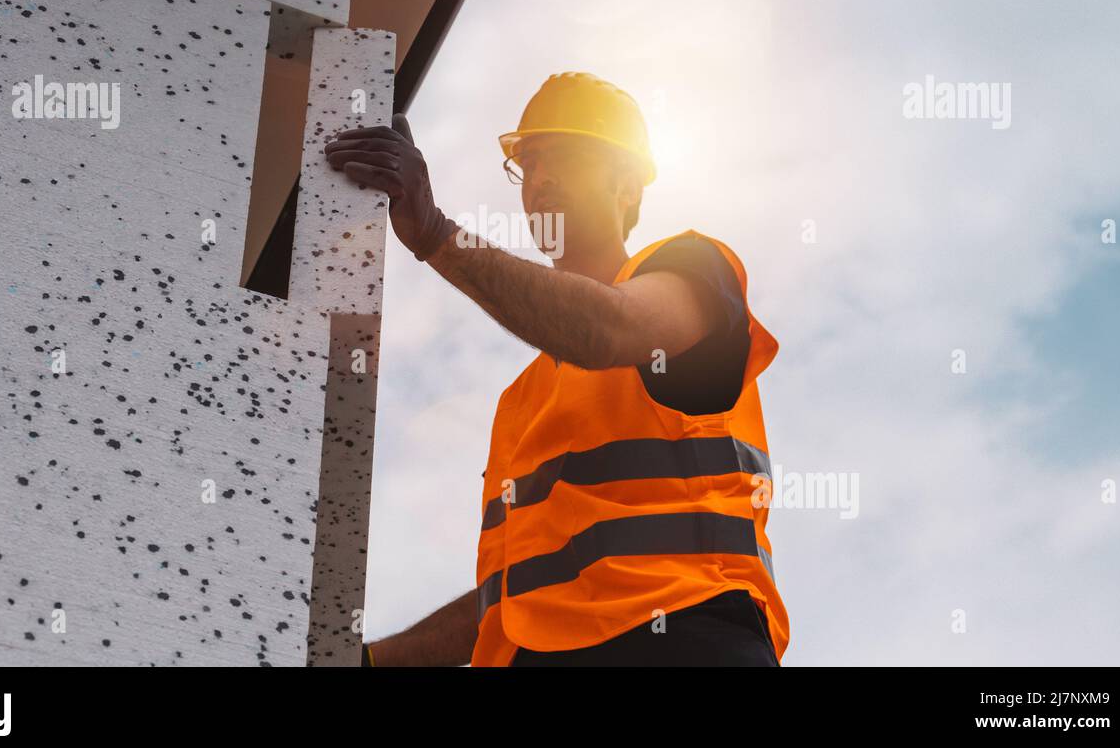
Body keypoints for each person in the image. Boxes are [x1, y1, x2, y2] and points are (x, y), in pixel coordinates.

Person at [324, 71, 787, 667]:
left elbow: (609, 328)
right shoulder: (523, 401)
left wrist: (435, 234)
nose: (539, 180)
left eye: (563, 156)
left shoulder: (695, 270)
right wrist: (367, 660)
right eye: (530, 163)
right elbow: (516, 597)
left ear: (626, 184)